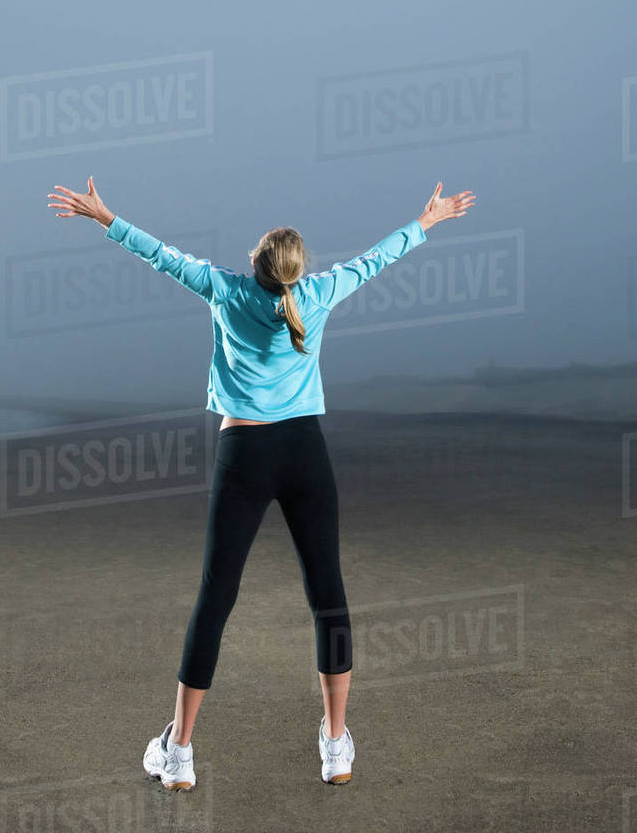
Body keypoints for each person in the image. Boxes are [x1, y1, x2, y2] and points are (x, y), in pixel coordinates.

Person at [47, 178, 476, 789]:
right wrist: (426, 221)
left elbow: (160, 254)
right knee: (327, 594)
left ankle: (180, 752)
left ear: (257, 264)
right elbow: (376, 260)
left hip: (244, 452)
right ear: (299, 271)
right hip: (304, 452)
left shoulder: (224, 289)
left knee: (215, 599)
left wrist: (104, 217)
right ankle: (335, 745)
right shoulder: (319, 293)